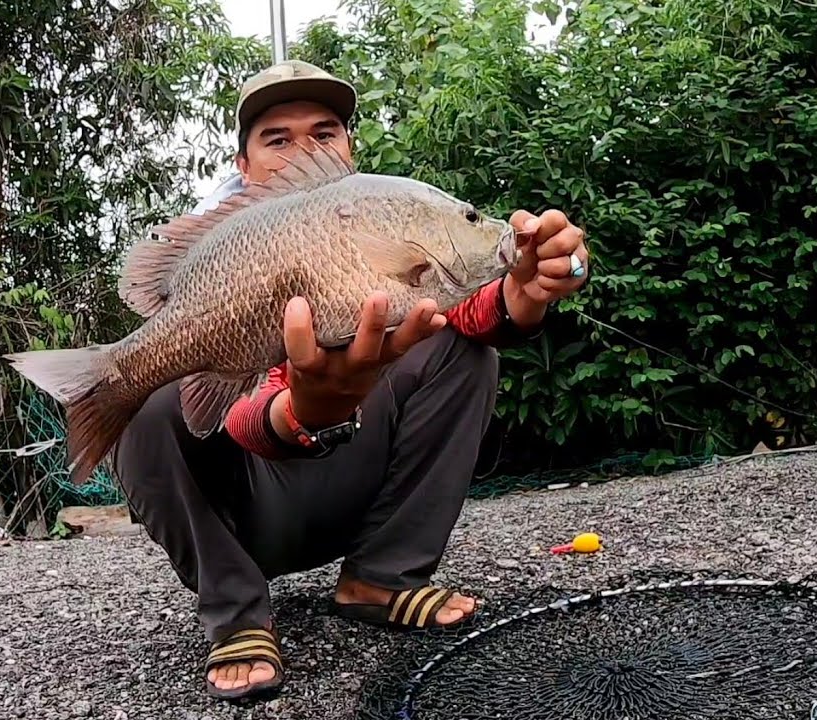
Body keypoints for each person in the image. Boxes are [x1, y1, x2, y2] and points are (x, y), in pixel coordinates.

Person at [111, 59, 590, 701]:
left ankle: (382, 577)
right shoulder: (225, 245)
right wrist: (305, 411)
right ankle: (237, 613)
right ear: (243, 163)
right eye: (277, 138)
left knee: (468, 348)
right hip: (252, 507)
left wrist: (532, 284)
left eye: (325, 131)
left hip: (350, 484)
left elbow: (469, 306)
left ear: (349, 145)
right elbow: (240, 414)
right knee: (139, 401)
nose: (304, 148)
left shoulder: (383, 211)